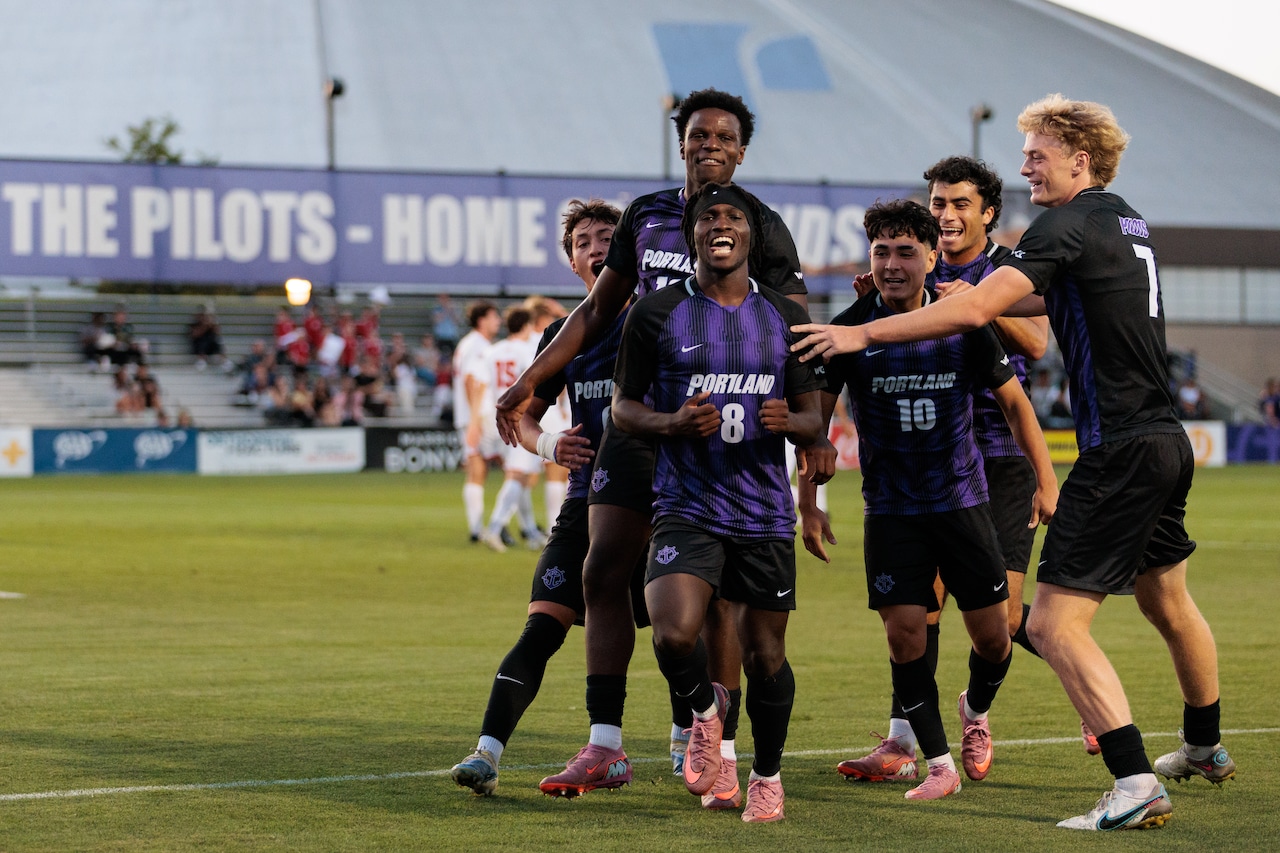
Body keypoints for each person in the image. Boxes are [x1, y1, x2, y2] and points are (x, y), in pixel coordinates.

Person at [791, 94, 1235, 830]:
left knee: (1055, 625)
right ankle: (1205, 745)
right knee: (1167, 599)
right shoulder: (1124, 220)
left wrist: (865, 335)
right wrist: (934, 292)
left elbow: (977, 313)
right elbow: (1031, 307)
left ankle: (1133, 780)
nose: (1026, 164)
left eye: (1038, 152)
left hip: (1118, 447)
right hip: (1166, 441)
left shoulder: (1065, 222)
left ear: (1078, 158)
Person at [495, 89, 811, 807]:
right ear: (681, 145)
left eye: (724, 137)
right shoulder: (645, 216)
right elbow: (598, 310)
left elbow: (796, 331)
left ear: (740, 151)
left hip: (724, 436)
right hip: (639, 423)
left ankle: (720, 749)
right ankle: (605, 743)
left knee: (727, 602)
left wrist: (812, 429)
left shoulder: (761, 225)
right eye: (697, 134)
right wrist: (530, 381)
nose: (709, 145)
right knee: (602, 573)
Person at [798, 199, 1056, 800]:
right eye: (881, 252)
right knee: (905, 634)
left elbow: (1015, 404)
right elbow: (813, 420)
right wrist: (809, 503)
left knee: (996, 638)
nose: (892, 264)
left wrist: (1046, 480)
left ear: (931, 257)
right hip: (891, 511)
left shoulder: (962, 320)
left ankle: (976, 706)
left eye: (905, 252)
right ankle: (939, 765)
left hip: (963, 505)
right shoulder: (849, 328)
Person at [610, 182, 831, 821]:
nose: (721, 225)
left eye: (734, 216)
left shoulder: (784, 319)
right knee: (674, 636)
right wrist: (671, 423)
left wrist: (790, 421)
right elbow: (624, 409)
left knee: (766, 656)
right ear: (693, 235)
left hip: (762, 512)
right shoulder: (654, 314)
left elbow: (816, 420)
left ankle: (766, 775)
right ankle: (704, 716)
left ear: (751, 238)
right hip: (687, 501)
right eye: (708, 217)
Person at [450, 199, 622, 796]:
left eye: (608, 236)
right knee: (541, 627)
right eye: (584, 241)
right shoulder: (562, 334)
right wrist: (550, 444)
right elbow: (520, 420)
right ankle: (486, 755)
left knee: (684, 634)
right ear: (572, 259)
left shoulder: (662, 314)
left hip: (663, 499)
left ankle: (695, 747)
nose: (597, 247)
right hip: (587, 501)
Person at [477, 306, 548, 552]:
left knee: (520, 475)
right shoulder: (527, 351)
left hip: (496, 417)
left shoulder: (491, 351)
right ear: (527, 326)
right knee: (518, 476)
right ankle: (495, 528)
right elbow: (533, 384)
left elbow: (482, 385)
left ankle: (529, 531)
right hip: (518, 418)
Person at [454, 300, 504, 543]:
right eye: (495, 317)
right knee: (477, 469)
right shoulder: (477, 346)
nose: (499, 321)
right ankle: (479, 528)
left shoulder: (471, 344)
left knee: (479, 469)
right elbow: (470, 381)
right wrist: (474, 419)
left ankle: (487, 525)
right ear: (482, 320)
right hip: (475, 417)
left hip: (472, 415)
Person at [188, 305, 225, 369]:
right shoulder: (194, 324)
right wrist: (204, 326)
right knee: (203, 342)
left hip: (210, 348)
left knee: (217, 342)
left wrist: (212, 324)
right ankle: (201, 361)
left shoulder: (210, 325)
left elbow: (218, 333)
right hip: (198, 348)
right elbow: (194, 335)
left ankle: (224, 361)